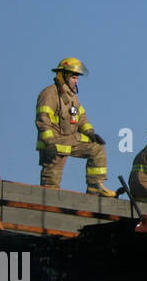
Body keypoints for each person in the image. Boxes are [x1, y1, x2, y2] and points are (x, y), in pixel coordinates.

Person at [35, 57, 115, 197]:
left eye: (77, 77)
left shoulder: (72, 96)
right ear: (63, 75)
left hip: (70, 139)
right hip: (54, 144)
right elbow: (43, 120)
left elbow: (81, 118)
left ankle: (95, 186)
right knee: (51, 184)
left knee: (97, 147)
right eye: (74, 77)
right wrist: (50, 143)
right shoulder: (49, 94)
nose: (76, 80)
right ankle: (48, 203)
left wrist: (90, 133)